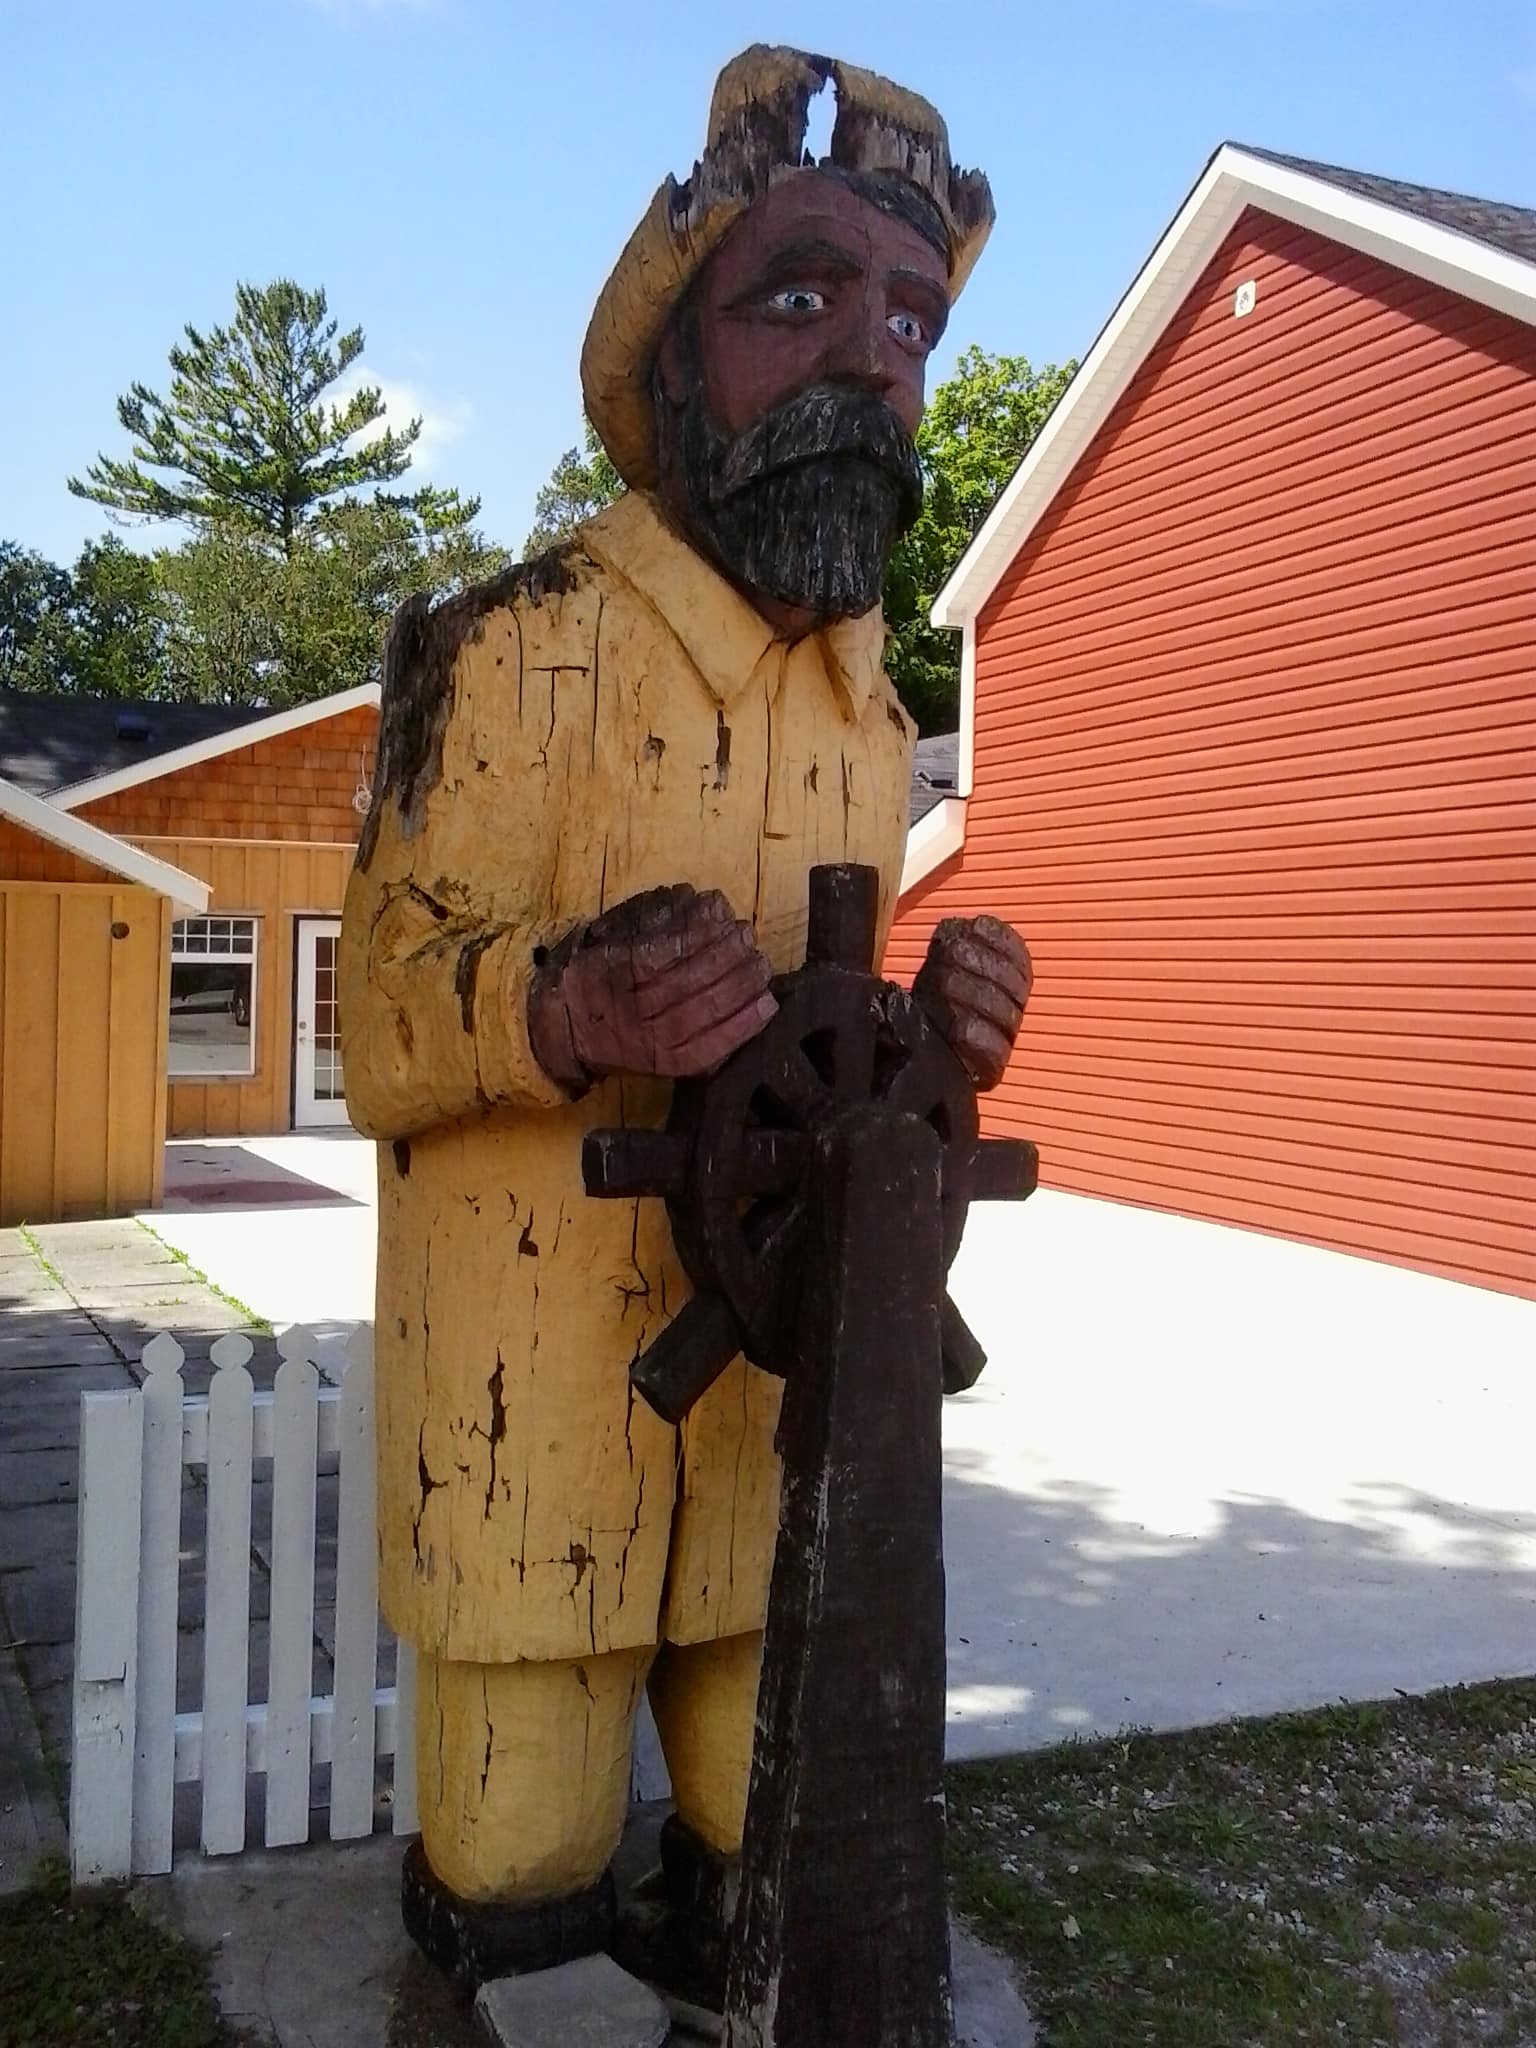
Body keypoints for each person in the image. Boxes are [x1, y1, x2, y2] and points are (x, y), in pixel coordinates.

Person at [338, 42, 1031, 1984]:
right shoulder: (508, 651)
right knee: (520, 1857)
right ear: (663, 364)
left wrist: (931, 1046)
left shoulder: (871, 722)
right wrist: (563, 999)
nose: (875, 362)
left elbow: (830, 1053)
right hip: (531, 1423)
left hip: (762, 1431)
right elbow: (375, 1023)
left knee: (766, 1837)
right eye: (800, 298)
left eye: (913, 320)